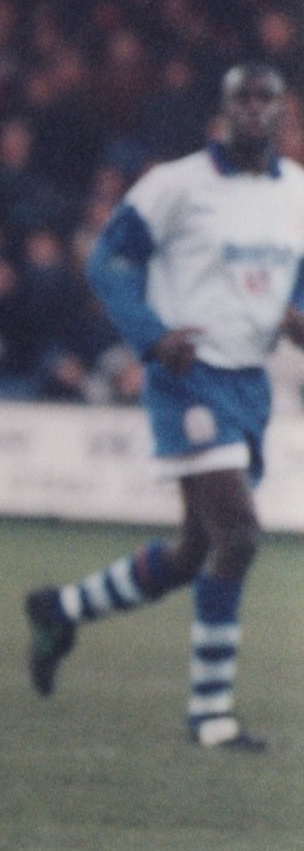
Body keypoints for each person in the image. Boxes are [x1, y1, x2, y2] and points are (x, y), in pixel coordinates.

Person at [24, 63, 304, 751]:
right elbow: (108, 261)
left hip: (250, 382)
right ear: (223, 108)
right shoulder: (176, 185)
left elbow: (295, 278)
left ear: (284, 112)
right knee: (239, 535)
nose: (254, 109)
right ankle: (211, 715)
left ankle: (60, 610)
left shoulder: (297, 191)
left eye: (266, 99)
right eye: (242, 98)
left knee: (193, 550)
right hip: (188, 377)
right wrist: (152, 337)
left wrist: (298, 316)